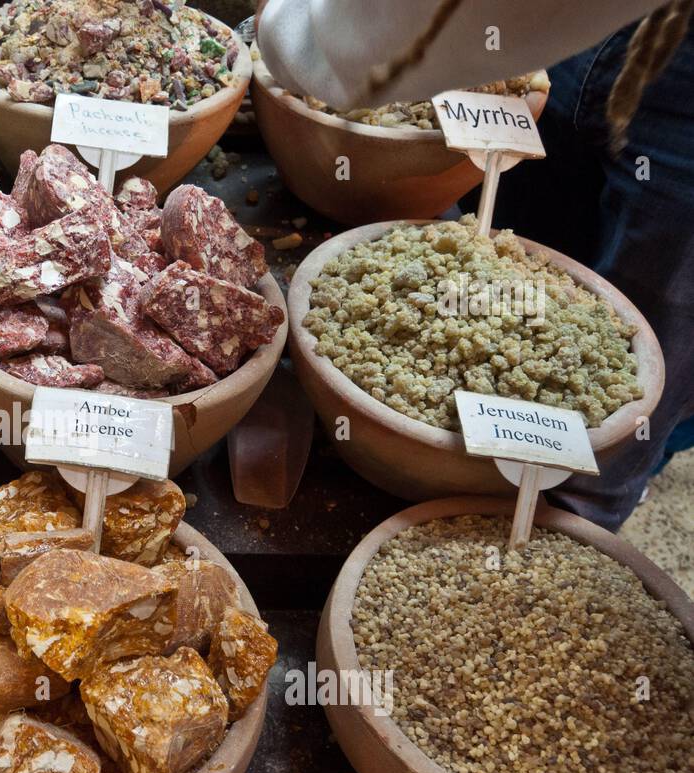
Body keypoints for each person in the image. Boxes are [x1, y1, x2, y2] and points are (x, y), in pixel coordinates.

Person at [259, 0, 694, 530]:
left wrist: (292, 24)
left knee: (659, 320)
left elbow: (336, 46)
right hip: (579, 46)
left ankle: (570, 522)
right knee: (530, 218)